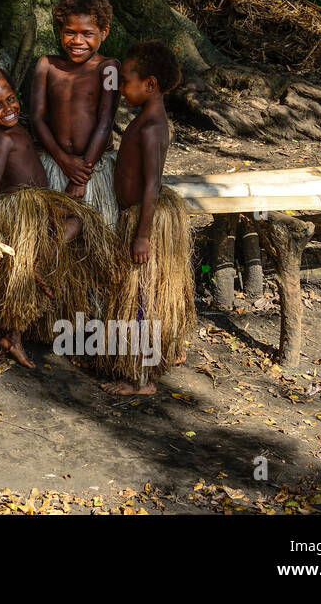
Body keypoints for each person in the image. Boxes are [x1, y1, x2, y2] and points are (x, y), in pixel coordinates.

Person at [0, 68, 113, 368]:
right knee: (74, 223)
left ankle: (38, 266)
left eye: (10, 99)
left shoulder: (15, 127)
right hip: (23, 204)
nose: (8, 109)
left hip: (40, 201)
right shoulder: (3, 139)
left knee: (80, 220)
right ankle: (37, 268)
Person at [99, 41, 195, 396]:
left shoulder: (152, 126)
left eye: (126, 81)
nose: (121, 88)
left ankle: (142, 379)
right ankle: (137, 369)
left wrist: (142, 235)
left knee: (142, 298)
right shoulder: (144, 120)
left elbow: (153, 184)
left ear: (150, 84)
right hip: (133, 215)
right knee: (135, 295)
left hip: (144, 219)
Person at [30, 0, 121, 226]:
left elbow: (105, 122)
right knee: (50, 223)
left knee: (91, 227)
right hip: (54, 161)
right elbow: (37, 118)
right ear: (60, 31)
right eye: (70, 32)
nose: (77, 41)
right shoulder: (46, 66)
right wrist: (63, 160)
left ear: (104, 32)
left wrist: (82, 177)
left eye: (87, 34)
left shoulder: (110, 68)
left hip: (93, 167)